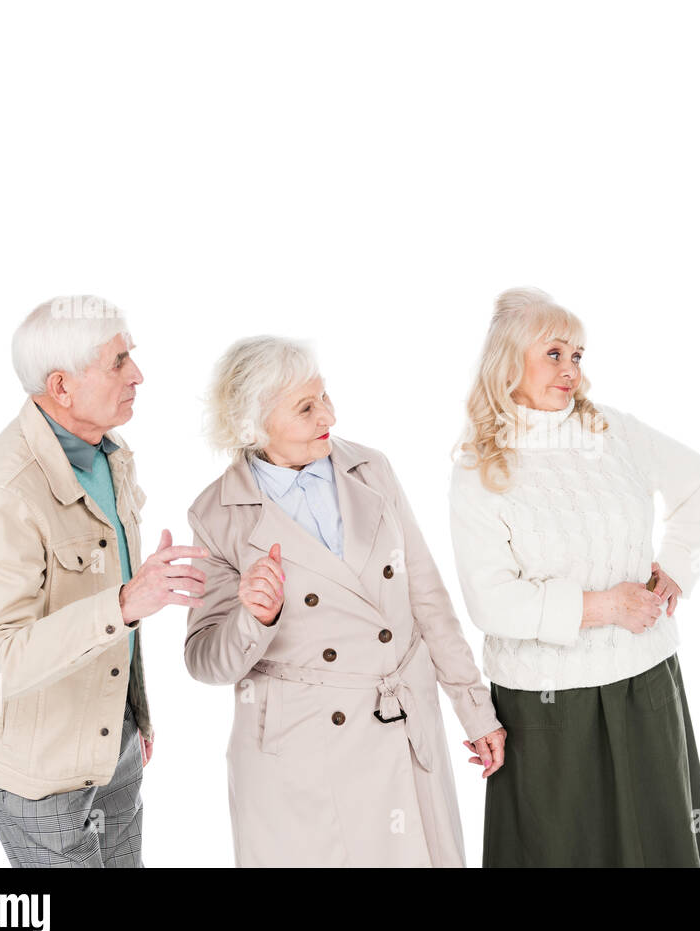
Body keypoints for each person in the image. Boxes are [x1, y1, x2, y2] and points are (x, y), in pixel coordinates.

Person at [184, 335, 504, 867]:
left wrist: (475, 710)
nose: (328, 415)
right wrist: (254, 618)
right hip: (303, 756)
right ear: (253, 424)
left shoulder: (370, 469)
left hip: (401, 723)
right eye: (306, 408)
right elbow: (203, 661)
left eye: (324, 396)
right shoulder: (217, 513)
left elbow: (427, 598)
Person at [449, 288, 700, 867]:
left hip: (644, 681)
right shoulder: (480, 466)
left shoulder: (612, 430)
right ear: (508, 360)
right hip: (546, 704)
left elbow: (698, 480)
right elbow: (490, 601)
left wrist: (675, 566)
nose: (570, 369)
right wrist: (604, 607)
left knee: (658, 845)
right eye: (553, 354)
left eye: (577, 355)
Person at [0, 295, 209, 867]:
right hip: (38, 771)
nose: (138, 375)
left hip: (114, 740)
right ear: (61, 387)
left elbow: (113, 602)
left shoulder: (109, 453)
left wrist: (136, 713)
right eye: (118, 362)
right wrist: (124, 602)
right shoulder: (4, 496)